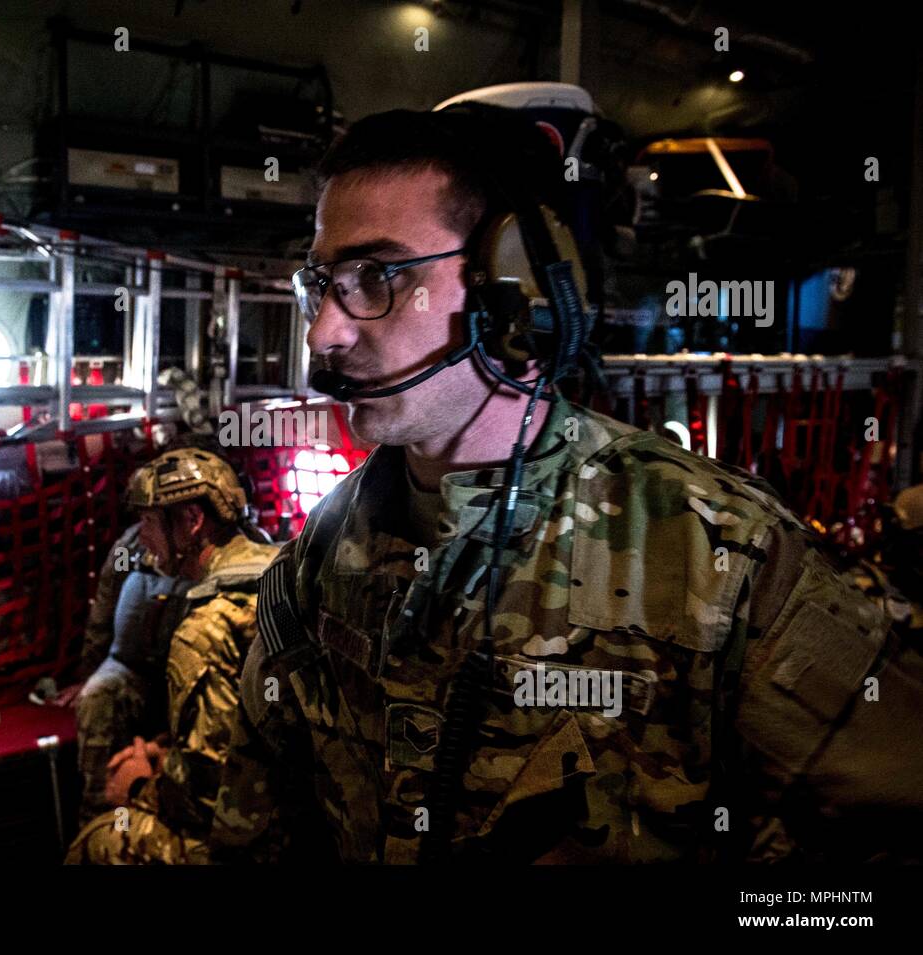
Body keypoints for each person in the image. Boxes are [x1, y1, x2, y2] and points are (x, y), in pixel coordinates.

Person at [209, 104, 923, 863]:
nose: (323, 331)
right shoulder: (321, 550)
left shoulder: (718, 553)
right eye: (322, 282)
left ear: (510, 285)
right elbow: (256, 826)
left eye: (375, 276)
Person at [66, 448, 278, 864]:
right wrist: (166, 753)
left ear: (192, 520)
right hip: (306, 810)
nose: (142, 536)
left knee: (99, 840)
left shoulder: (203, 630)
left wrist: (136, 785)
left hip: (259, 837)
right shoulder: (281, 569)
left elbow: (204, 800)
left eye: (148, 522)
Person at [61, 520, 194, 827]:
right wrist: (89, 673)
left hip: (188, 672)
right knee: (97, 696)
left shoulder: (216, 554)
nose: (145, 529)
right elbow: (104, 612)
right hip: (131, 667)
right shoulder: (129, 551)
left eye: (153, 519)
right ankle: (99, 819)